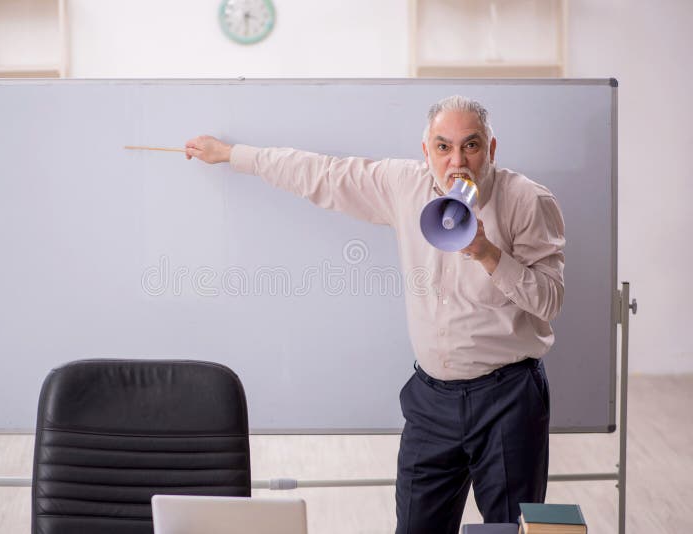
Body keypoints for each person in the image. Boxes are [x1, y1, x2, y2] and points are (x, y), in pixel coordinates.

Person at [184, 95, 565, 534]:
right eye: (443, 147)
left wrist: (487, 253)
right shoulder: (404, 185)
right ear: (426, 152)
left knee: (509, 529)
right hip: (431, 399)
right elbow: (320, 174)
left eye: (471, 146)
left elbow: (550, 300)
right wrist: (231, 155)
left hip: (507, 398)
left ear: (492, 149)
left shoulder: (527, 200)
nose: (457, 161)